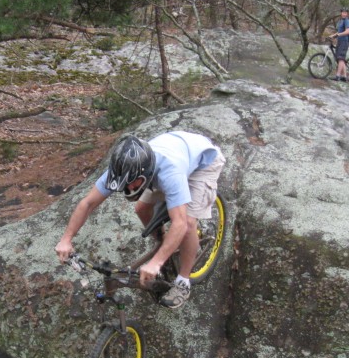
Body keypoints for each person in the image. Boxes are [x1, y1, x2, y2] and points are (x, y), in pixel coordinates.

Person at [55, 132, 225, 309]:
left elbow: (180, 223)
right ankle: (163, 242)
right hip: (175, 151)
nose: (127, 188)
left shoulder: (170, 172)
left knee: (188, 224)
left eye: (131, 183)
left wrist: (155, 263)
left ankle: (183, 282)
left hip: (202, 164)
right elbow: (88, 203)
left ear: (145, 173)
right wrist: (66, 239)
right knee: (141, 208)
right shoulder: (123, 168)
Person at [331, 7, 349, 82]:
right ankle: (344, 76)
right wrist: (333, 36)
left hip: (344, 41)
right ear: (341, 13)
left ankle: (338, 76)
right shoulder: (341, 21)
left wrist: (339, 35)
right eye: (342, 12)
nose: (343, 14)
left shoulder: (347, 21)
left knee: (340, 58)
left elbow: (347, 31)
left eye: (345, 13)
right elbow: (339, 32)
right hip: (340, 41)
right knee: (341, 59)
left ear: (347, 14)